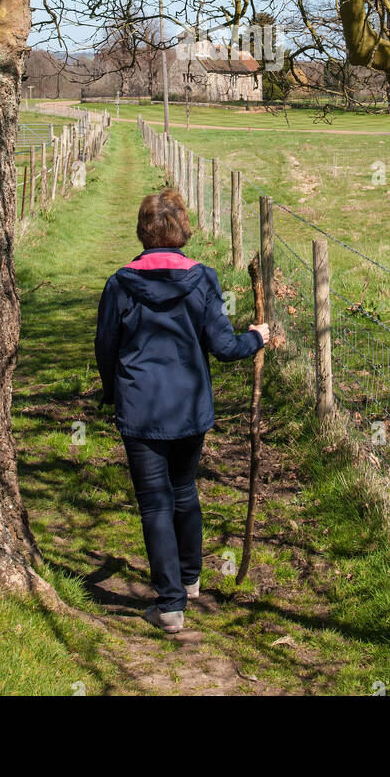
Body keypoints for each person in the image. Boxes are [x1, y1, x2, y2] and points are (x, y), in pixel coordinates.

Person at [95, 187, 269, 633]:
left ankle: (172, 602)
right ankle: (188, 581)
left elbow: (106, 346)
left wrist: (112, 391)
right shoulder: (204, 279)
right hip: (190, 406)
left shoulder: (120, 283)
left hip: (141, 408)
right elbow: (224, 346)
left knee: (156, 502)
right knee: (184, 488)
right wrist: (257, 338)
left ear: (143, 229)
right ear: (183, 228)